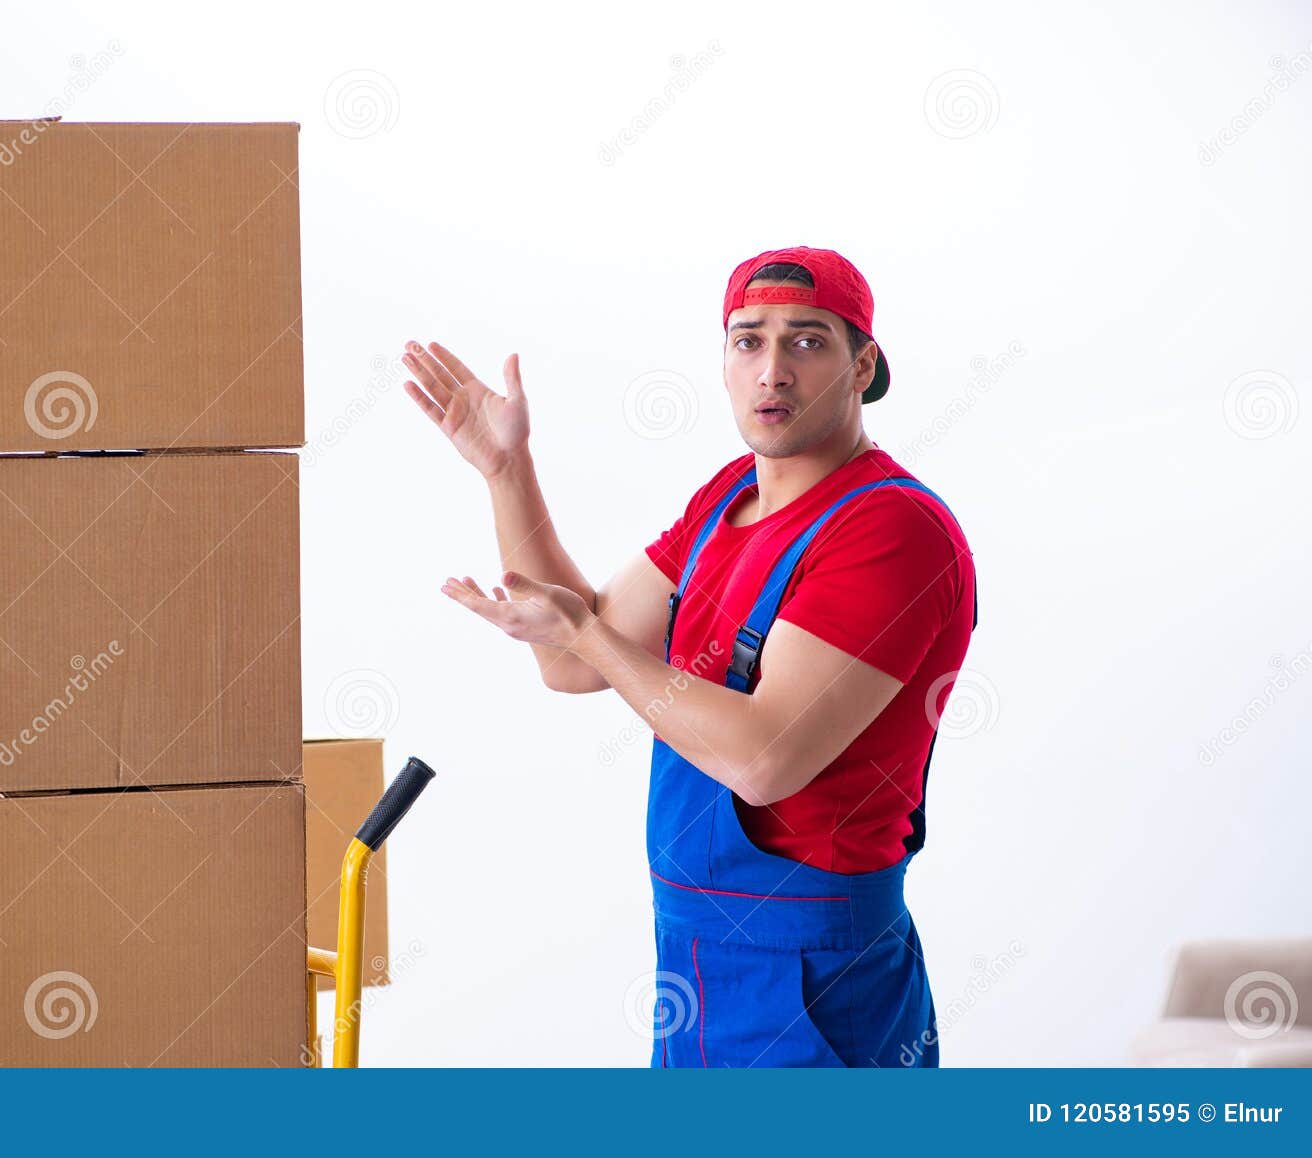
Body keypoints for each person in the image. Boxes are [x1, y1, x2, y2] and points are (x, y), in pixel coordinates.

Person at [402, 246, 976, 1068]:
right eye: (748, 341)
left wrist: (585, 635)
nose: (772, 371)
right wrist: (505, 469)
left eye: (807, 342)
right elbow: (576, 663)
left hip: (818, 983)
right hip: (695, 963)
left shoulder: (889, 531)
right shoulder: (725, 501)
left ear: (864, 365)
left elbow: (765, 756)